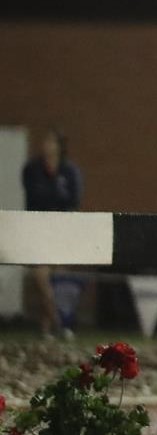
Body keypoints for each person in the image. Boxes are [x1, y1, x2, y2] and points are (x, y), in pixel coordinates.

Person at [20, 128, 82, 339]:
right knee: (41, 278)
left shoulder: (69, 170)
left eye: (51, 141)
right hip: (38, 226)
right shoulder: (33, 169)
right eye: (45, 141)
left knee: (57, 279)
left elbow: (74, 199)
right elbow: (34, 196)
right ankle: (57, 322)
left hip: (61, 228)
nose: (47, 146)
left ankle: (47, 329)